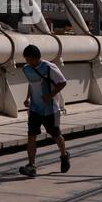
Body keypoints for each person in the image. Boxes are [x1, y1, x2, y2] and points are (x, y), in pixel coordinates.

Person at [18, 43, 71, 177]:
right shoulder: (27, 69)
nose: (27, 62)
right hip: (35, 108)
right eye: (26, 59)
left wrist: (50, 95)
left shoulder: (49, 67)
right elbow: (31, 84)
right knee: (31, 136)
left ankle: (64, 155)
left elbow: (63, 82)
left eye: (29, 59)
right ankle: (31, 165)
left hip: (52, 109)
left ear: (37, 58)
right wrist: (27, 98)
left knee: (56, 134)